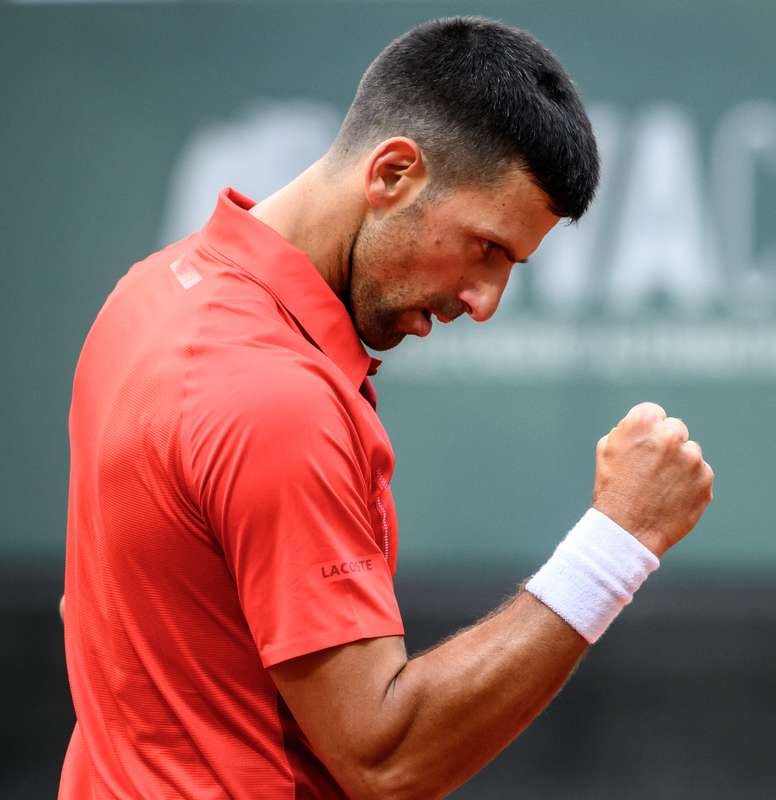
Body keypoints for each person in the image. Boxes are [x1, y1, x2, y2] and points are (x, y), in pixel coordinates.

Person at [59, 15, 714, 799]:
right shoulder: (276, 402)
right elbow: (386, 759)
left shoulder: (150, 292)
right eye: (487, 249)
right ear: (393, 173)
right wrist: (620, 540)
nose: (484, 301)